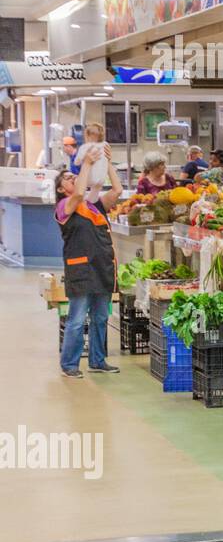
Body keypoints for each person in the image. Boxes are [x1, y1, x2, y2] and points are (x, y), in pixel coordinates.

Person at [55, 143, 124, 377]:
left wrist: (108, 163)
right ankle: (70, 365)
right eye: (67, 178)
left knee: (101, 317)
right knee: (76, 320)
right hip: (81, 270)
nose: (72, 178)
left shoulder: (93, 206)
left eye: (73, 175)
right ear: (60, 188)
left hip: (101, 268)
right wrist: (85, 163)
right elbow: (77, 194)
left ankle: (98, 360)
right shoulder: (65, 206)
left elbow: (117, 191)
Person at [73, 122, 109, 204]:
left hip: (90, 178)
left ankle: (83, 203)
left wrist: (80, 159)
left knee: (77, 182)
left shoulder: (85, 147)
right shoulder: (106, 145)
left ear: (87, 136)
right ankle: (92, 203)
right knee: (95, 191)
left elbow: (76, 162)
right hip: (102, 178)